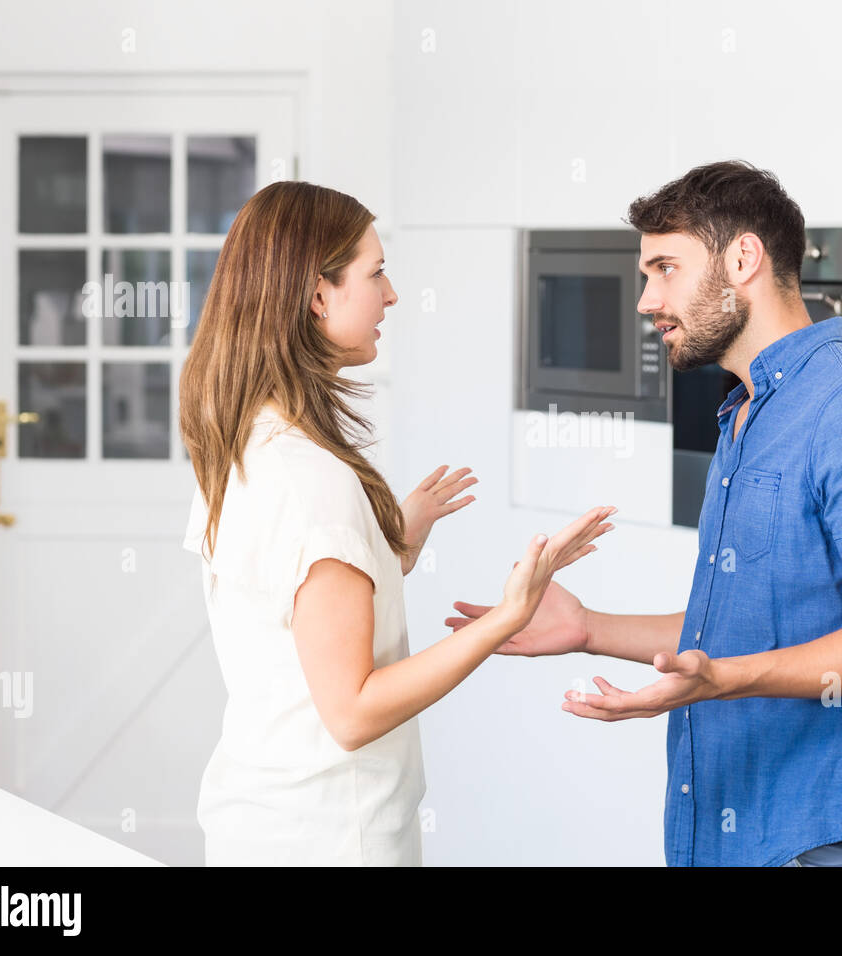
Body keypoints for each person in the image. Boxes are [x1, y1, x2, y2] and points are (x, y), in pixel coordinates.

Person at [449, 160, 842, 868]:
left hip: (813, 843)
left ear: (743, 257)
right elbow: (732, 632)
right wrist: (589, 629)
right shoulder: (746, 414)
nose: (647, 299)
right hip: (719, 827)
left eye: (665, 268)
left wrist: (728, 680)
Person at [179, 180, 614, 866]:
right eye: (375, 272)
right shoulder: (314, 483)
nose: (392, 295)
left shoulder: (241, 445)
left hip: (260, 825)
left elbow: (298, 608)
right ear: (318, 295)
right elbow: (352, 712)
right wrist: (510, 613)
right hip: (331, 840)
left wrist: (387, 547)